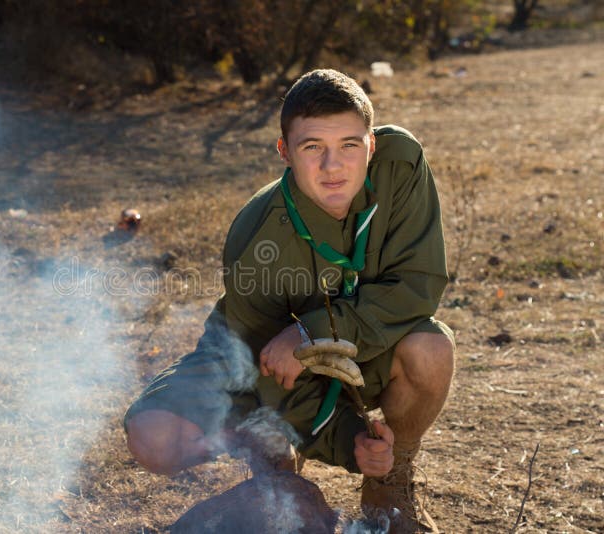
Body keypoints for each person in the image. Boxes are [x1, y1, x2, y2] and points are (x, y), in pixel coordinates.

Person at [124, 69, 455, 533]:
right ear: (285, 152)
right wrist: (349, 441)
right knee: (153, 436)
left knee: (430, 351)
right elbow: (266, 366)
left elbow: (418, 283)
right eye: (312, 147)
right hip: (251, 360)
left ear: (372, 145)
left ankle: (391, 476)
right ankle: (268, 442)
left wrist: (312, 331)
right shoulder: (256, 234)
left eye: (349, 145)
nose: (333, 166)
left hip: (357, 348)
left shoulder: (400, 163)